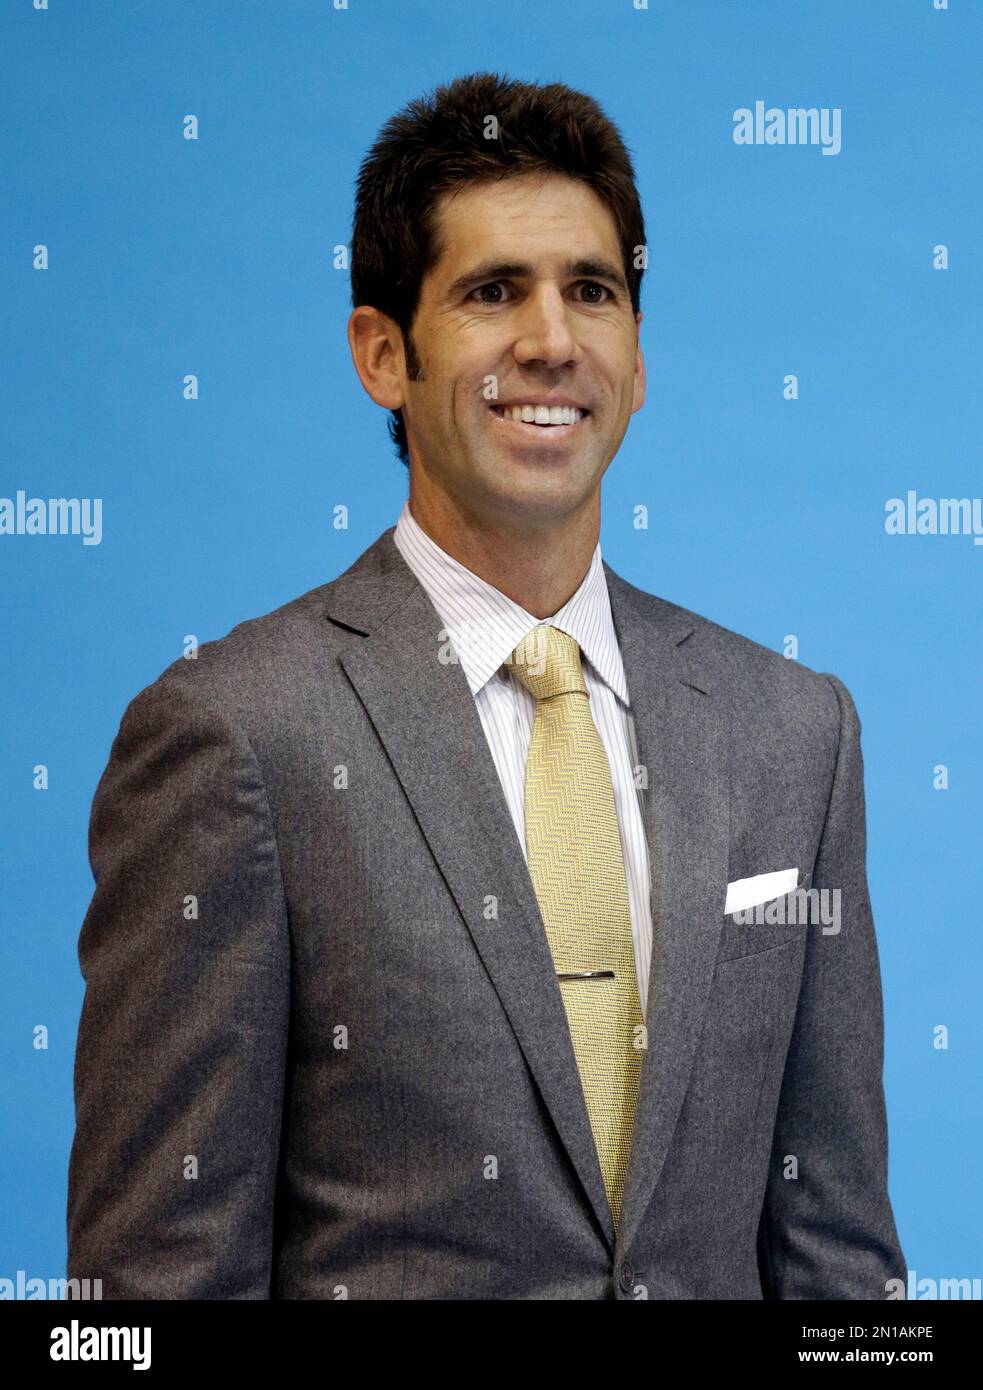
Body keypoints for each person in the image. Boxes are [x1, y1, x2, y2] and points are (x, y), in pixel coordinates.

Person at [67, 72, 907, 1300]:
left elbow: (838, 1268)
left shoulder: (794, 735)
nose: (551, 338)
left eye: (592, 291)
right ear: (381, 353)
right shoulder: (233, 735)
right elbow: (150, 1295)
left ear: (634, 354)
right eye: (490, 291)